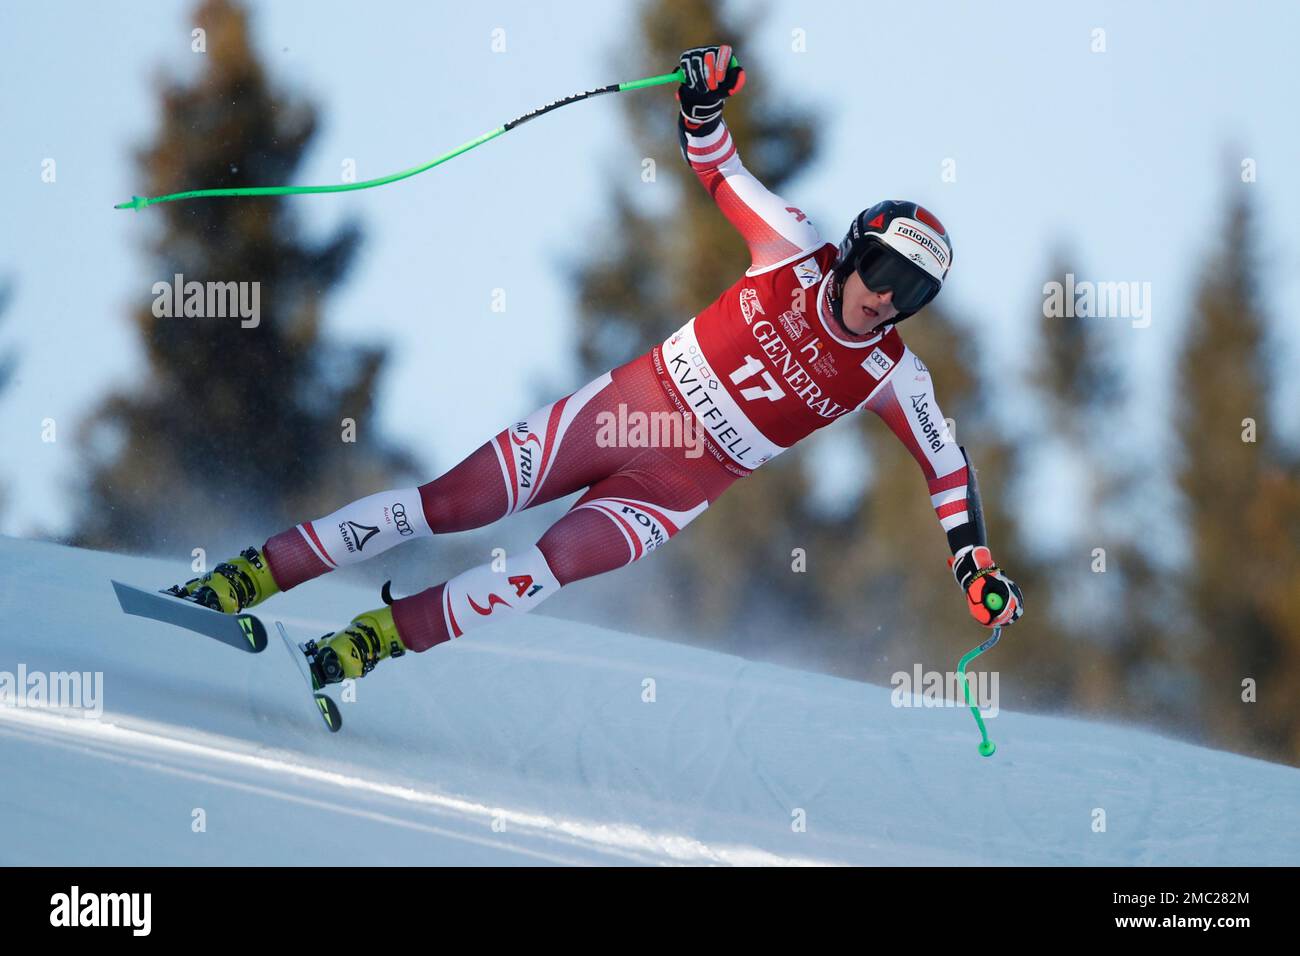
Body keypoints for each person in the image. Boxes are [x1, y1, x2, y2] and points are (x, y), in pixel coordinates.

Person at [173, 44, 1023, 685]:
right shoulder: (794, 246)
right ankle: (249, 576)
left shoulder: (892, 373)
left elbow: (946, 467)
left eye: (910, 295)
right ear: (852, 256)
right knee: (449, 506)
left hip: (672, 490)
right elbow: (716, 163)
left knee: (540, 573)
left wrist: (972, 565)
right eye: (882, 275)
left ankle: (368, 644)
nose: (885, 301)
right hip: (624, 410)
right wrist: (700, 100)